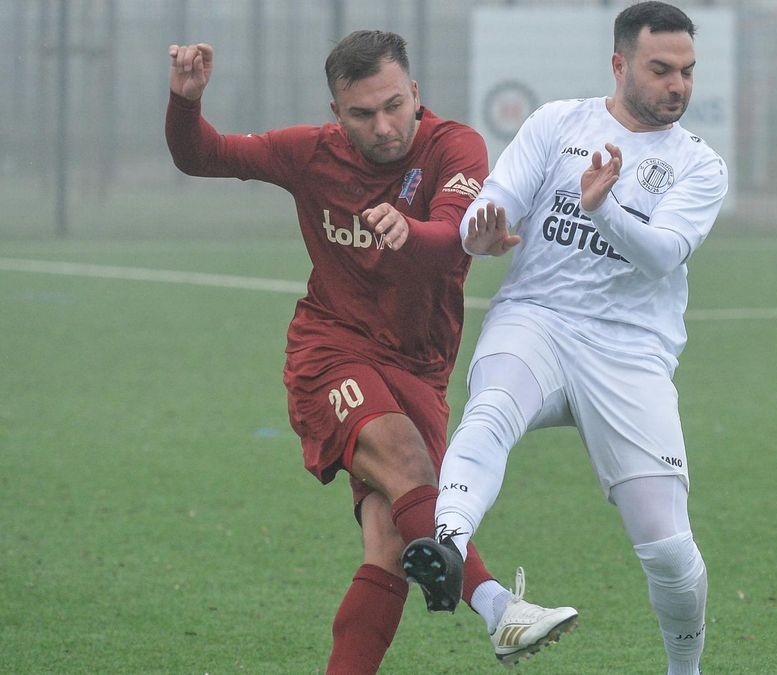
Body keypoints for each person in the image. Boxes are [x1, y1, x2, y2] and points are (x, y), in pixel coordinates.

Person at [164, 31, 576, 674]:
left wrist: (412, 232)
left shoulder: (455, 146)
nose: (383, 126)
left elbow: (452, 240)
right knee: (408, 462)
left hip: (419, 370)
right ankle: (499, 609)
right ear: (337, 114)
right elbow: (201, 154)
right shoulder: (309, 153)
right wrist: (185, 102)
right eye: (362, 113)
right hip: (331, 350)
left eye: (394, 106)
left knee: (388, 545)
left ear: (415, 93)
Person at [402, 3, 727, 674]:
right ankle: (448, 543)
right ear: (619, 64)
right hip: (538, 318)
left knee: (667, 547)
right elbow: (489, 212)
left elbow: (661, 254)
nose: (678, 86)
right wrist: (480, 235)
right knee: (490, 409)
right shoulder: (557, 123)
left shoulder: (700, 165)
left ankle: (684, 670)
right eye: (661, 69)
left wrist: (601, 206)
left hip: (630, 349)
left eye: (688, 72)